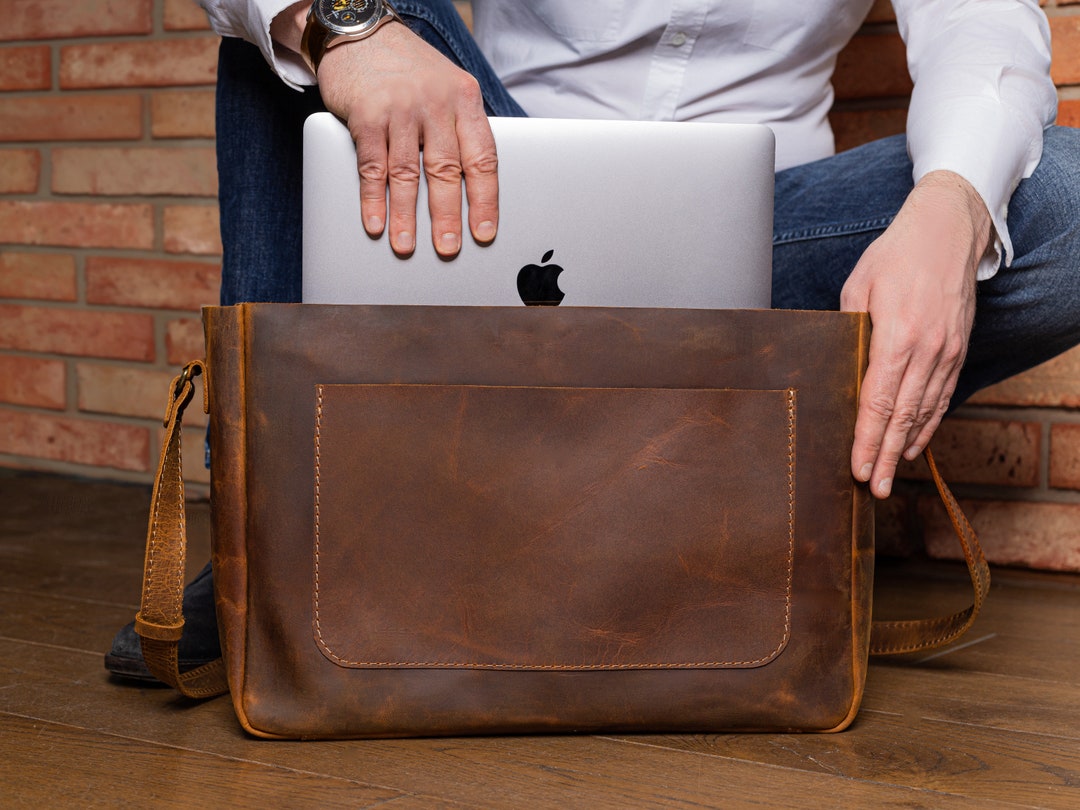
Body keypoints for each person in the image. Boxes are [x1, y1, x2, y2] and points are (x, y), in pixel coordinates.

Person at [105, 0, 1080, 681]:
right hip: (484, 199)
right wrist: (344, 29)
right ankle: (278, 545)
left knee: (1063, 193)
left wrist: (952, 208)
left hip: (750, 251)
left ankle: (547, 504)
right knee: (311, 16)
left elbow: (979, 23)